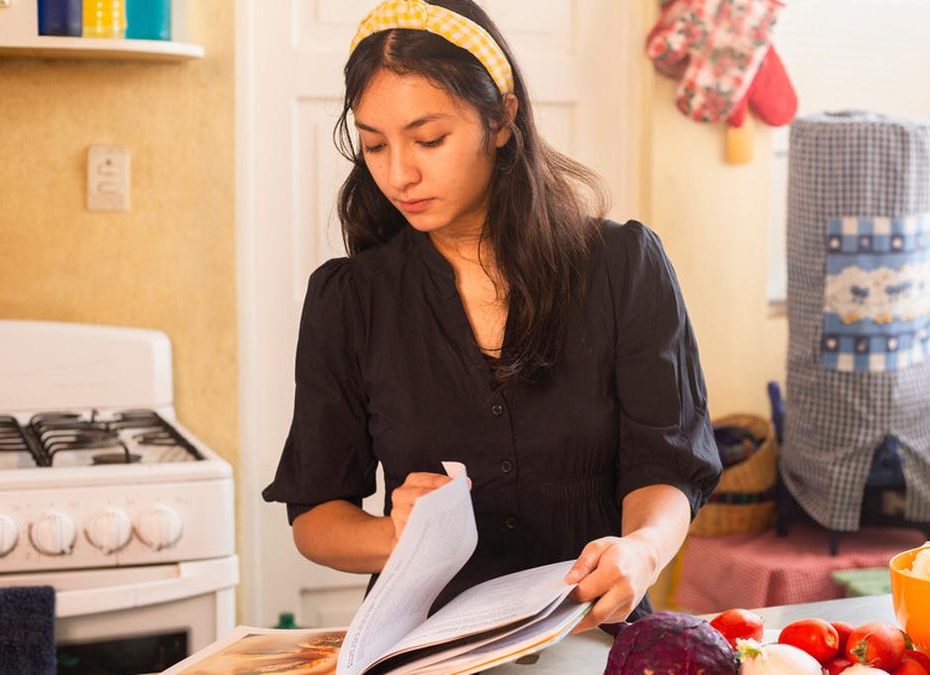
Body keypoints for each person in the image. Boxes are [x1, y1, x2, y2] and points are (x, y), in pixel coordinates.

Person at [262, 0, 721, 632]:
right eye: (374, 144)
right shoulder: (349, 301)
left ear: (501, 120)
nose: (399, 173)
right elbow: (315, 516)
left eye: (429, 139)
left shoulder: (622, 267)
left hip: (595, 635)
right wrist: (397, 536)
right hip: (426, 644)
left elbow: (667, 464)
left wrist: (640, 551)